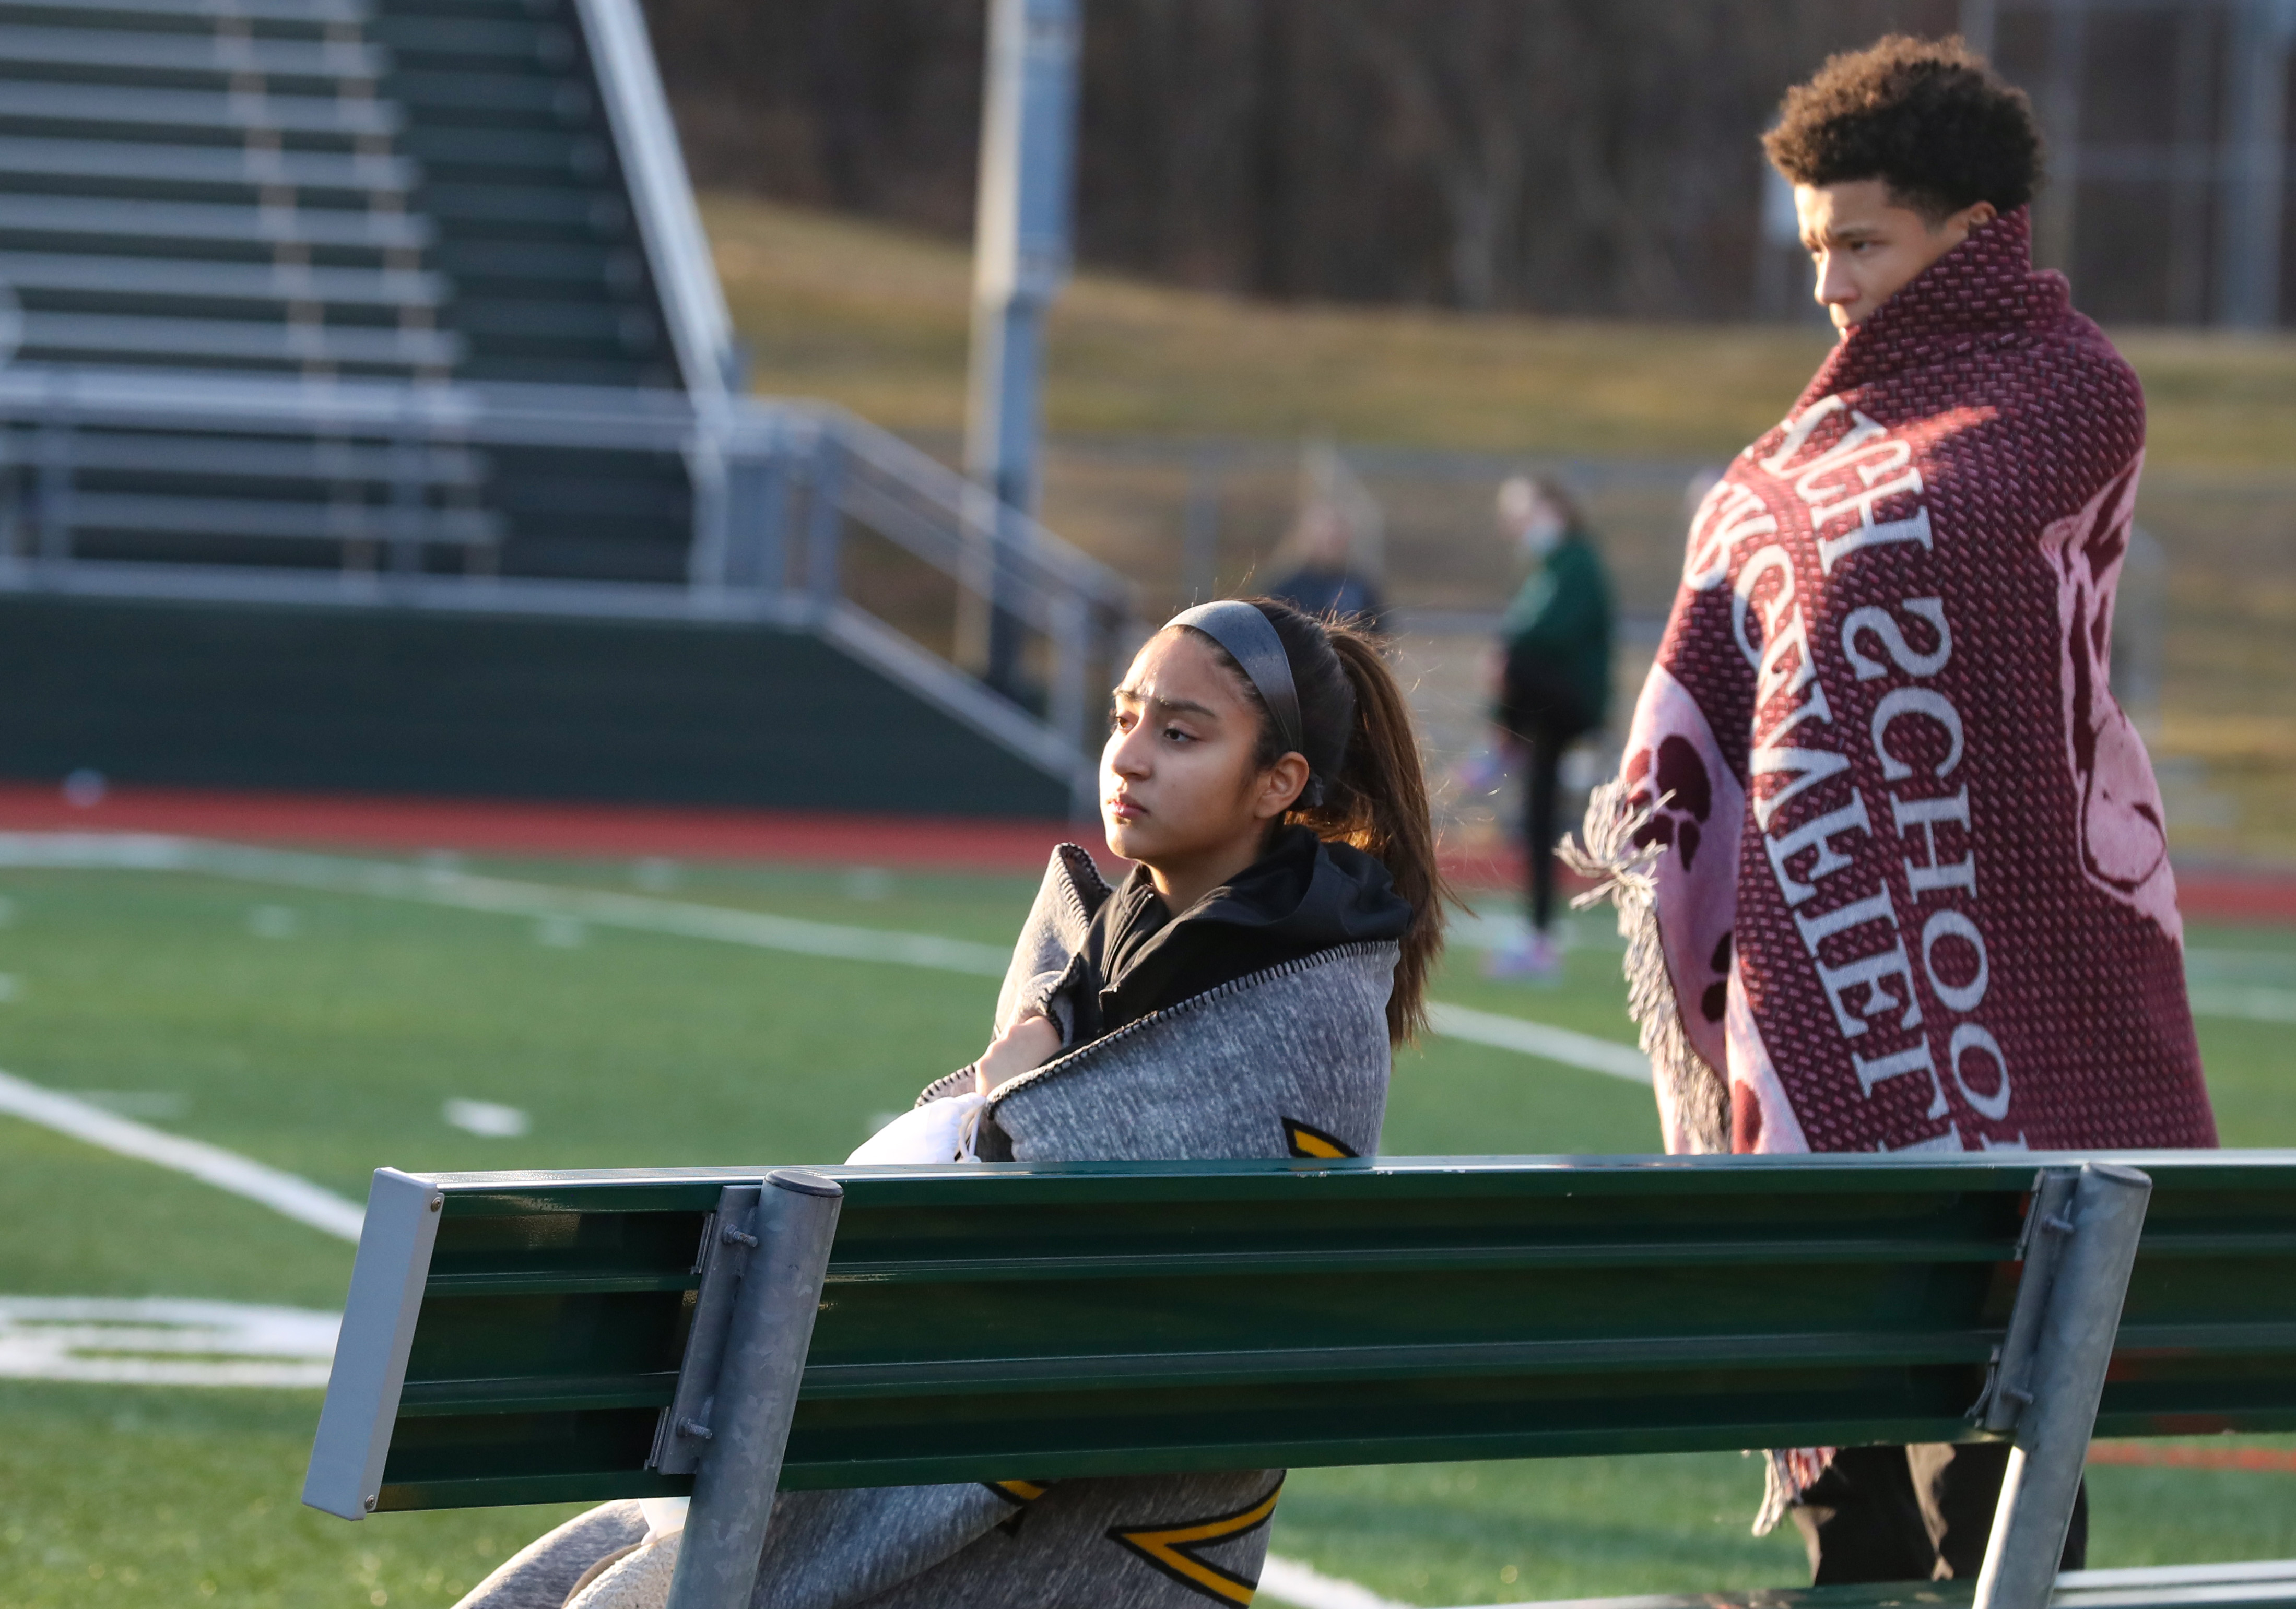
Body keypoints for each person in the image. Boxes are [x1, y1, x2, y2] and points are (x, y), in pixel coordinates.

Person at [1567, 34, 2217, 1586]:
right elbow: (1736, 651)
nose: (1828, 284)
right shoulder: (1791, 452)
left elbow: (1950, 560)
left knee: (1994, 1461)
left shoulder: (2072, 390)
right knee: (1852, 1498)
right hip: (1818, 987)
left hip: (2013, 968)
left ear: (1969, 233)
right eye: (1810, 248)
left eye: (1859, 241)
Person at [457, 597, 1446, 1609]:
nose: (1130, 756)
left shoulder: (1301, 1006)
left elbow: (1084, 1268)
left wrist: (1016, 1086)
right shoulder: (1122, 959)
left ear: (1276, 783)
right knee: (588, 1569)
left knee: (654, 1574)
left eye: (1179, 732)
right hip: (987, 1455)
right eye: (1122, 717)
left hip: (1099, 1531)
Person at [1485, 474, 1613, 981]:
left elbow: (1540, 635)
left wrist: (1503, 664)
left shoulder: (1575, 562)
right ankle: (1539, 936)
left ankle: (1499, 745)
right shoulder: (1550, 566)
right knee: (1536, 816)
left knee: (1513, 660)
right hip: (1547, 711)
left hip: (1568, 703)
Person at [1266, 498, 1386, 630]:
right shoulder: (1286, 587)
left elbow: (1379, 635)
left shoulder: (1361, 587)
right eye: (1323, 532)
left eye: (1336, 534)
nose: (1329, 539)